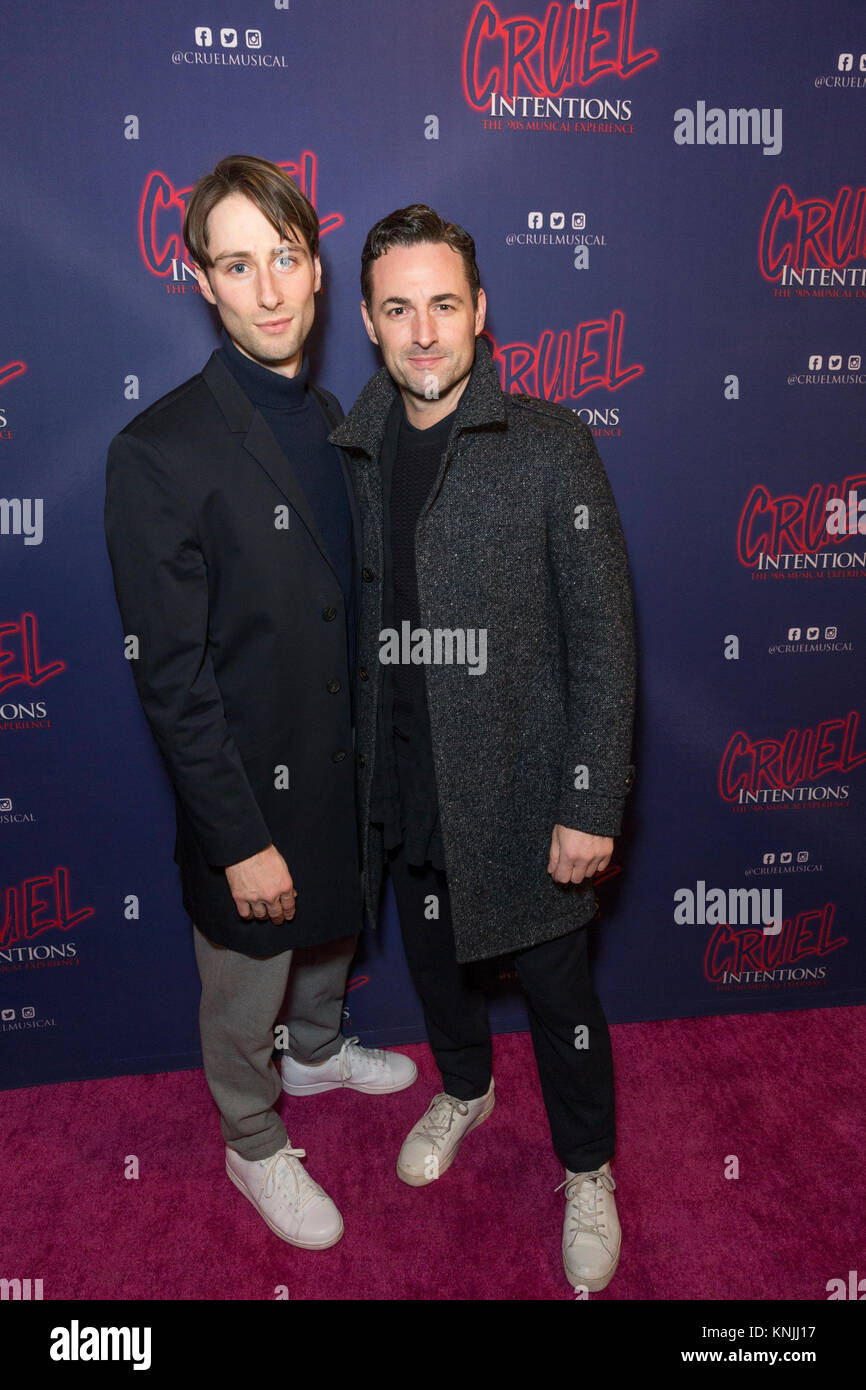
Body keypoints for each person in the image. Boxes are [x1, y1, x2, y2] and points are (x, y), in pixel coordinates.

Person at [104, 156, 415, 1253]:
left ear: (317, 268)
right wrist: (238, 839)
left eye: (285, 258)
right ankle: (250, 1138)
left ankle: (320, 1053)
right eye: (240, 265)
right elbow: (172, 677)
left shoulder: (329, 415)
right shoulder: (155, 452)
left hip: (337, 767)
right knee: (248, 986)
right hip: (245, 790)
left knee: (330, 935)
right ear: (203, 280)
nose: (270, 290)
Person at [330, 206, 636, 1292]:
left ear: (480, 313)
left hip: (520, 787)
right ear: (367, 320)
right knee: (433, 965)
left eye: (443, 305)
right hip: (404, 782)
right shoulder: (349, 447)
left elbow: (602, 636)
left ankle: (586, 1168)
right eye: (399, 308)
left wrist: (589, 800)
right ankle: (462, 1085)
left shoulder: (551, 442)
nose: (423, 332)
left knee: (560, 998)